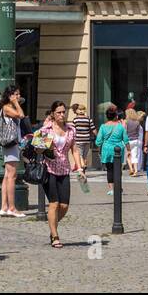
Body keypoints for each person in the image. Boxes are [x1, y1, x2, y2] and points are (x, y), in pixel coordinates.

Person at [39, 100, 83, 248]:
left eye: (63, 112)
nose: (62, 114)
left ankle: (52, 226)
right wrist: (46, 145)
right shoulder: (46, 129)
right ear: (53, 113)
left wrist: (79, 167)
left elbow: (74, 150)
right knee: (54, 203)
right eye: (59, 112)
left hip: (64, 169)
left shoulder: (71, 130)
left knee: (64, 206)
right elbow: (37, 149)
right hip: (49, 168)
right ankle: (55, 236)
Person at [0, 86, 25, 216]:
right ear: (10, 96)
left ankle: (4, 206)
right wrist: (15, 103)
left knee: (7, 175)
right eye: (16, 94)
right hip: (11, 144)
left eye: (19, 94)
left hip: (12, 144)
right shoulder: (7, 107)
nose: (19, 97)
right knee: (12, 176)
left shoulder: (8, 108)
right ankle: (12, 207)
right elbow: (21, 115)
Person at [94, 104, 128, 195]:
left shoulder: (103, 127)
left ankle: (111, 189)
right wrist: (129, 151)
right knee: (118, 170)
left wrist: (99, 147)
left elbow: (98, 142)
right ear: (116, 116)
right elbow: (126, 139)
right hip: (118, 150)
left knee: (109, 170)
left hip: (107, 150)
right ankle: (118, 187)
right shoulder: (120, 126)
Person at [71, 103, 95, 171]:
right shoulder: (89, 119)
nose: (81, 111)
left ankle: (83, 165)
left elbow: (72, 130)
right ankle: (83, 168)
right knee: (84, 155)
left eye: (82, 109)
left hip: (78, 140)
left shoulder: (75, 120)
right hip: (87, 140)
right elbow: (93, 129)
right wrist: (98, 136)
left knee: (80, 154)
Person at [123, 105, 142, 176]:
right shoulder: (137, 122)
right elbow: (138, 132)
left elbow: (124, 131)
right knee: (135, 156)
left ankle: (131, 169)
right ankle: (136, 171)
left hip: (128, 141)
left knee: (128, 155)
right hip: (135, 140)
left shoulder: (126, 121)